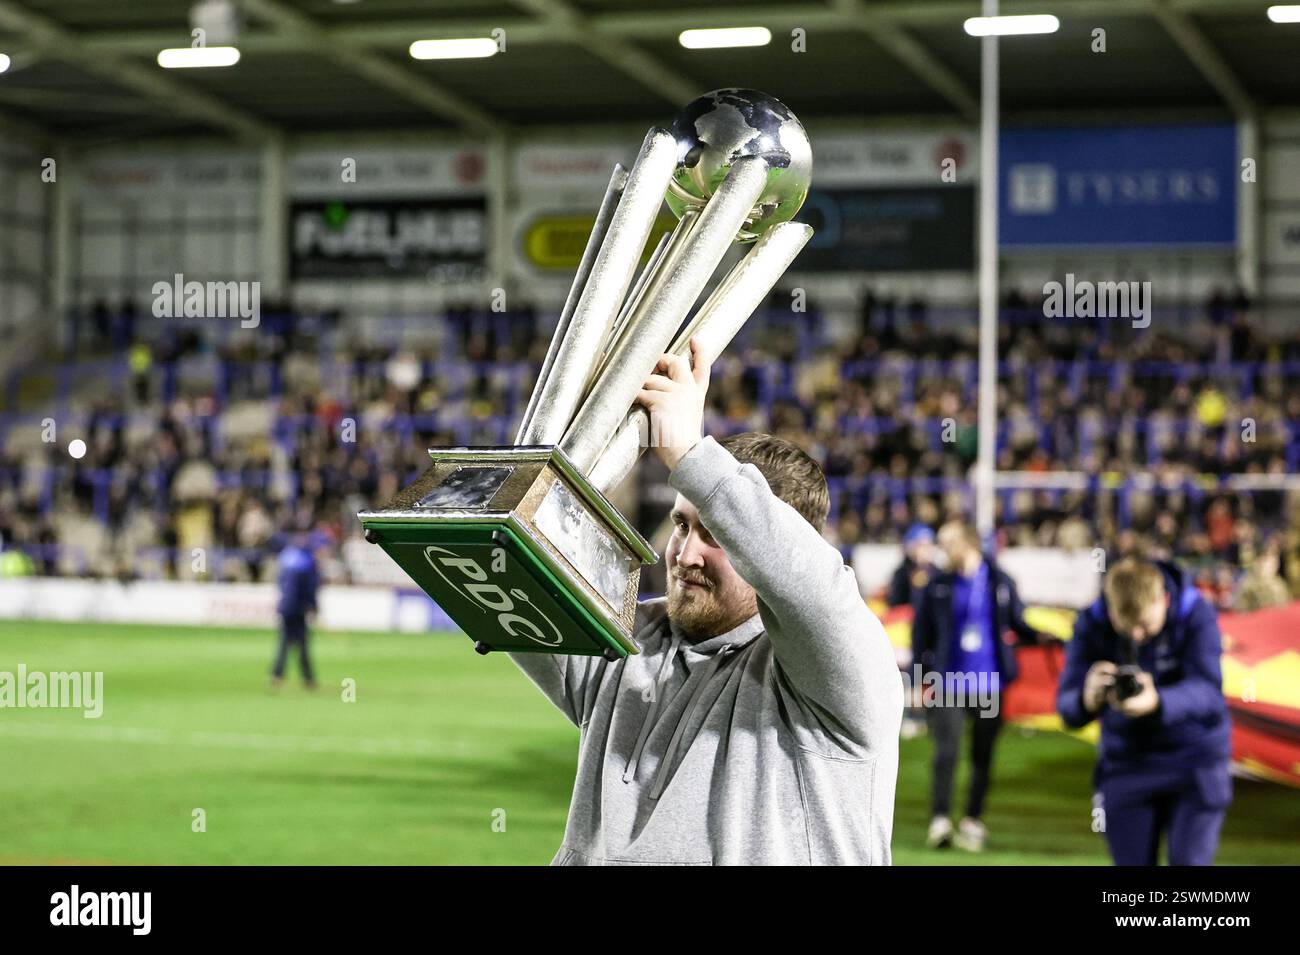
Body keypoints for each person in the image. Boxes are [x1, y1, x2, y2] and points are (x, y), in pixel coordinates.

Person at [509, 338, 903, 865]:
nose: (684, 553)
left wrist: (691, 454)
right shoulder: (628, 644)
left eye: (714, 532)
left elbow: (813, 586)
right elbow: (502, 574)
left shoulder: (835, 675)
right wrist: (570, 433)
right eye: (680, 525)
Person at [1056, 557, 1231, 866]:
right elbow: (1067, 708)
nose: (1136, 635)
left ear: (1163, 599)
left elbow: (1209, 694)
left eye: (1145, 625)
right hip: (1127, 764)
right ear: (1110, 609)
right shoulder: (1090, 622)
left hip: (1195, 760)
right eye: (1126, 627)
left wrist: (1159, 702)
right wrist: (1087, 698)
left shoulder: (1196, 612)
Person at [911, 519, 1044, 852]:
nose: (941, 550)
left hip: (988, 682)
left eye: (947, 542)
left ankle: (972, 820)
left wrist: (1043, 638)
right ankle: (940, 820)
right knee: (947, 751)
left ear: (966, 543)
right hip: (950, 680)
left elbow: (1016, 621)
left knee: (982, 755)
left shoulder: (999, 581)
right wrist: (917, 679)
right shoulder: (938, 584)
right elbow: (920, 634)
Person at [270, 530, 322, 690]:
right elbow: (311, 587)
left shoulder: (286, 558)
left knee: (284, 643)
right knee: (302, 645)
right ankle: (308, 679)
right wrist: (313, 606)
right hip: (298, 609)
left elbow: (280, 583)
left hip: (285, 607)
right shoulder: (308, 561)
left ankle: (276, 677)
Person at [887, 523, 935, 613]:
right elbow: (894, 603)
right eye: (921, 545)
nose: (927, 550)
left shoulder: (938, 572)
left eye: (929, 545)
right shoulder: (902, 573)